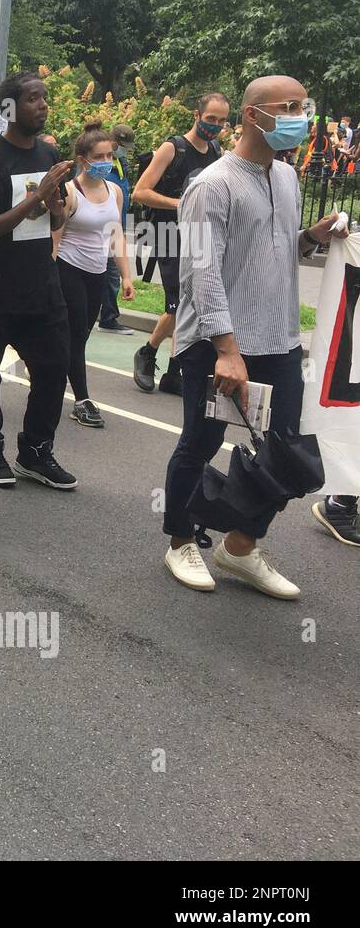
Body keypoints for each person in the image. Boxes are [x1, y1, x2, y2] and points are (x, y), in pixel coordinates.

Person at [161, 75, 340, 598]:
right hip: (218, 345)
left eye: (304, 107)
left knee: (286, 451)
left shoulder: (285, 177)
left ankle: (240, 547)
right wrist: (227, 350)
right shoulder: (208, 185)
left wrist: (311, 237)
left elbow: (278, 249)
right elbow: (200, 270)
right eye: (289, 107)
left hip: (279, 339)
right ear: (250, 116)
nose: (300, 117)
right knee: (201, 442)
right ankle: (179, 540)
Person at [0, 72, 77, 490]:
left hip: (41, 286)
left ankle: (35, 452)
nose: (43, 105)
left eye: (44, 98)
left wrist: (56, 203)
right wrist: (36, 195)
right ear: (10, 108)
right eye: (33, 98)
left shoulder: (47, 155)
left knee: (53, 368)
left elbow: (56, 218)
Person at [132, 92, 229, 395]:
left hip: (199, 235)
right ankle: (147, 352)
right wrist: (180, 203)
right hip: (167, 233)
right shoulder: (173, 148)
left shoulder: (215, 150)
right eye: (211, 119)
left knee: (193, 303)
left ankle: (174, 373)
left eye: (222, 121)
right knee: (177, 303)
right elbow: (140, 192)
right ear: (196, 116)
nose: (215, 126)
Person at [55, 123, 136, 428]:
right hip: (68, 269)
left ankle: (46, 368)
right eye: (99, 156)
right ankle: (82, 400)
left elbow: (116, 234)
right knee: (76, 336)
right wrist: (48, 278)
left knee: (80, 336)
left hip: (97, 272)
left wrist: (126, 277)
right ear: (82, 159)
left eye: (109, 155)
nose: (106, 161)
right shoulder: (70, 192)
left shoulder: (114, 191)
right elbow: (56, 238)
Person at [97, 123, 136, 334]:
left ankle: (108, 316)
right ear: (114, 141)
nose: (124, 150)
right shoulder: (100, 164)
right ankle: (108, 317)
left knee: (111, 273)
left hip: (115, 226)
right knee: (110, 275)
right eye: (122, 146)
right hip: (101, 227)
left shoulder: (120, 162)